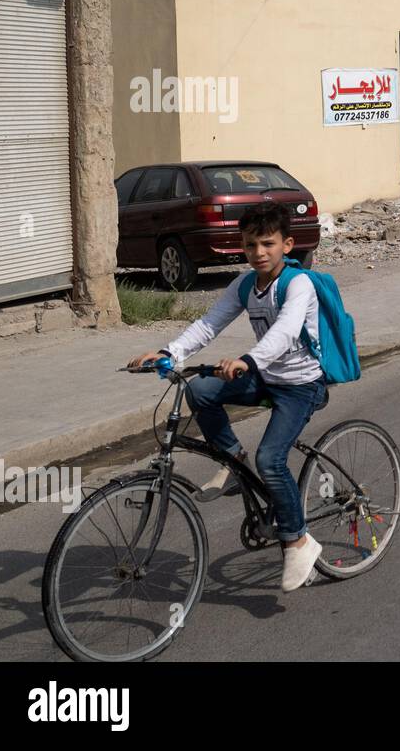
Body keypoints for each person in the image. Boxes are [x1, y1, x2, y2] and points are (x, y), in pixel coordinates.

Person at [129, 202, 330, 592]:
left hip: (302, 385)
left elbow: (287, 331)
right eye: (251, 244)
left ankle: (298, 540)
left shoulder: (298, 284)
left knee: (271, 459)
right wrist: (170, 353)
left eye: (268, 244)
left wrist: (247, 360)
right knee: (200, 389)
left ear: (287, 245)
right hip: (264, 375)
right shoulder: (245, 284)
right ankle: (232, 461)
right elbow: (209, 323)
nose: (259, 253)